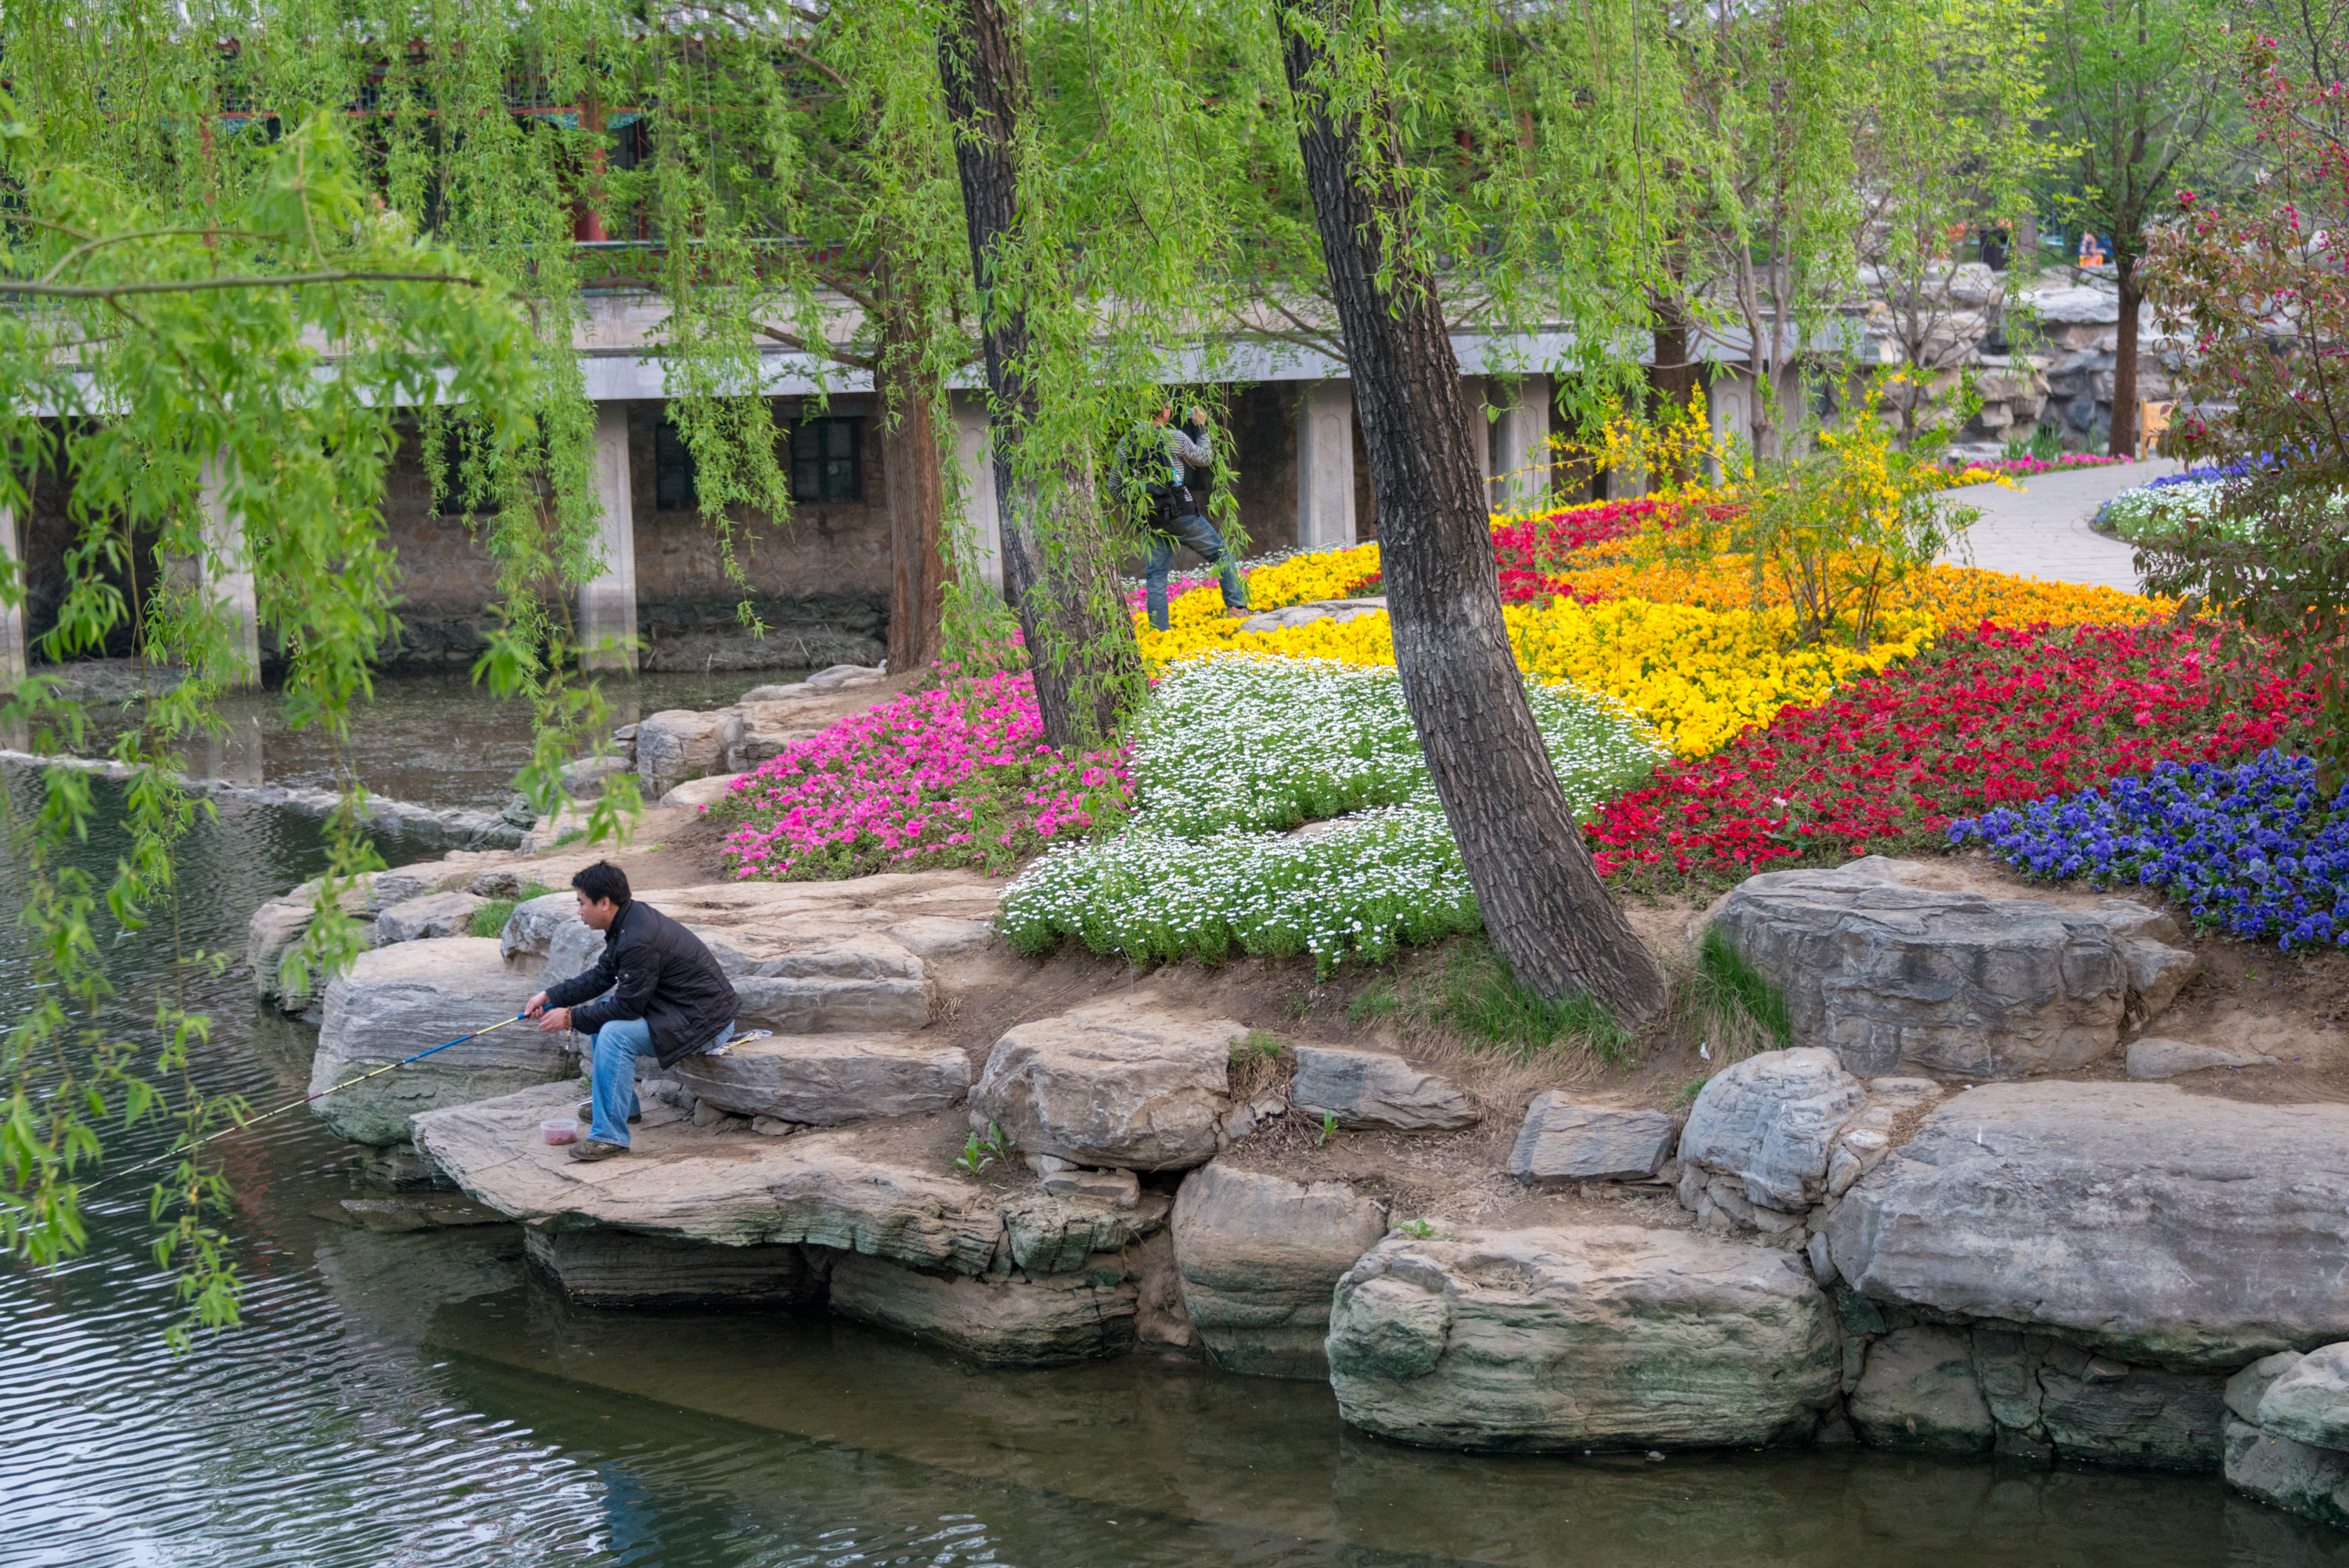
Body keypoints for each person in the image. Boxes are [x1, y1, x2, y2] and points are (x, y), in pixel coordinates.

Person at [525, 861, 739, 1162]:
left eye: (581, 903)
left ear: (604, 903)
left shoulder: (638, 938)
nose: (579, 911)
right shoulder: (628, 921)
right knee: (603, 1013)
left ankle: (609, 1137)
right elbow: (601, 977)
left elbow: (627, 1008)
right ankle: (623, 1108)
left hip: (704, 1024)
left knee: (613, 1032)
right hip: (676, 1011)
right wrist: (550, 996)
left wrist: (570, 1018)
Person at [1123, 400, 1250, 632]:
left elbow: (1114, 484)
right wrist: (1201, 428)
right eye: (1169, 407)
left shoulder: (1127, 442)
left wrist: (1137, 506)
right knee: (1221, 554)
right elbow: (1204, 458)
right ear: (1164, 412)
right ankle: (1237, 608)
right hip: (1182, 514)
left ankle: (1159, 634)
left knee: (1156, 578)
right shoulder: (1175, 437)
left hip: (1150, 519)